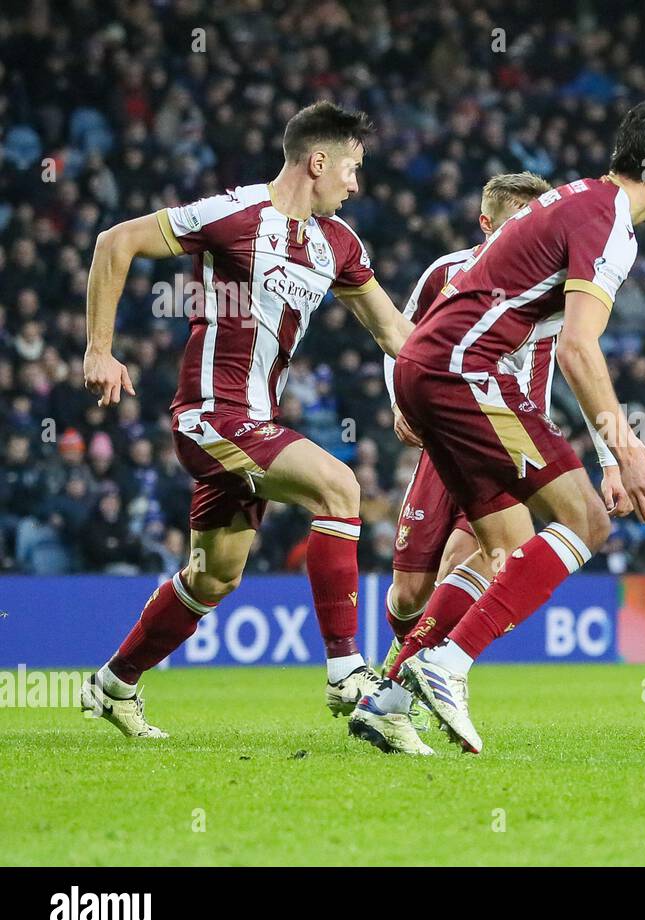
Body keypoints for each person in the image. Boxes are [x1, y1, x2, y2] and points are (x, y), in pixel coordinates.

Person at [371, 101, 645, 755]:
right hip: (465, 373)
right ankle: (450, 663)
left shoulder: (575, 198)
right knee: (588, 521)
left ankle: (391, 699)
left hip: (431, 370)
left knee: (504, 544)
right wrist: (627, 451)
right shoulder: (609, 224)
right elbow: (580, 350)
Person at [80, 101, 414, 738]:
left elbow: (397, 333)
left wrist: (462, 374)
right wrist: (99, 348)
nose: (355, 182)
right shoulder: (233, 214)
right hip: (211, 416)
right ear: (317, 161)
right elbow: (114, 242)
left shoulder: (339, 245)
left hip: (253, 425)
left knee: (212, 578)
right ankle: (347, 669)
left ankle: (115, 684)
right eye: (351, 167)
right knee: (340, 485)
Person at [354, 172, 622, 754]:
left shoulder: (556, 281)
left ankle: (405, 687)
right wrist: (399, 401)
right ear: (487, 224)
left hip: (508, 430)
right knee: (407, 592)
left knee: (489, 552)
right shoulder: (449, 273)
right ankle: (405, 682)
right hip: (447, 419)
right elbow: (401, 334)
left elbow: (578, 351)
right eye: (518, 219)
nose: (530, 230)